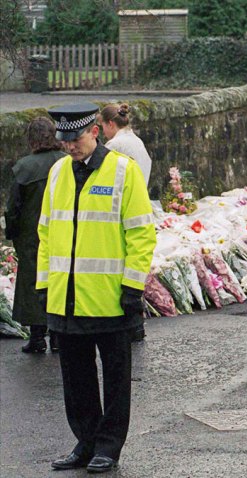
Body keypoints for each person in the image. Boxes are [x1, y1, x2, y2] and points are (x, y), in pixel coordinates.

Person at [39, 102, 156, 473]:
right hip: (67, 298)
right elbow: (45, 233)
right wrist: (44, 284)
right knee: (76, 379)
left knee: (116, 377)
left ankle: (108, 445)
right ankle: (85, 441)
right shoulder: (58, 173)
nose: (70, 147)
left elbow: (141, 233)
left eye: (75, 139)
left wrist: (132, 286)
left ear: (93, 131)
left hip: (110, 299)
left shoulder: (124, 171)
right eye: (65, 141)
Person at [4, 117, 65, 354]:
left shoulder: (23, 167)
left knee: (32, 281)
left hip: (31, 233)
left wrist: (12, 233)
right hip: (61, 227)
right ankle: (59, 335)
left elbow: (13, 207)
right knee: (59, 276)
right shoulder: (65, 162)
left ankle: (37, 335)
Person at [98, 103, 153, 343]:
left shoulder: (115, 146)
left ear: (111, 124)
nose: (101, 132)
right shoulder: (135, 141)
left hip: (120, 210)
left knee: (122, 273)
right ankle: (136, 324)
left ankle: (131, 324)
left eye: (102, 126)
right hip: (139, 205)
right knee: (133, 270)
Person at [98, 103, 152, 185]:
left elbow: (99, 173)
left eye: (103, 126)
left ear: (110, 124)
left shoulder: (114, 144)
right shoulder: (137, 140)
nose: (103, 132)